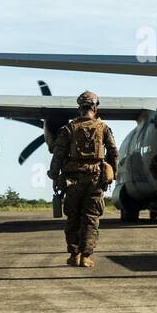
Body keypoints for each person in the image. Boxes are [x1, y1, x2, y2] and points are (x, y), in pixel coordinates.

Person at [49, 91, 118, 268]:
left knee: (73, 217)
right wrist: (113, 174)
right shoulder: (103, 128)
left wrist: (54, 176)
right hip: (96, 180)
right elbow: (113, 153)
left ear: (79, 107)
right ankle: (86, 256)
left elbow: (58, 154)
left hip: (72, 180)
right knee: (91, 218)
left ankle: (74, 255)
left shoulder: (68, 129)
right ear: (95, 107)